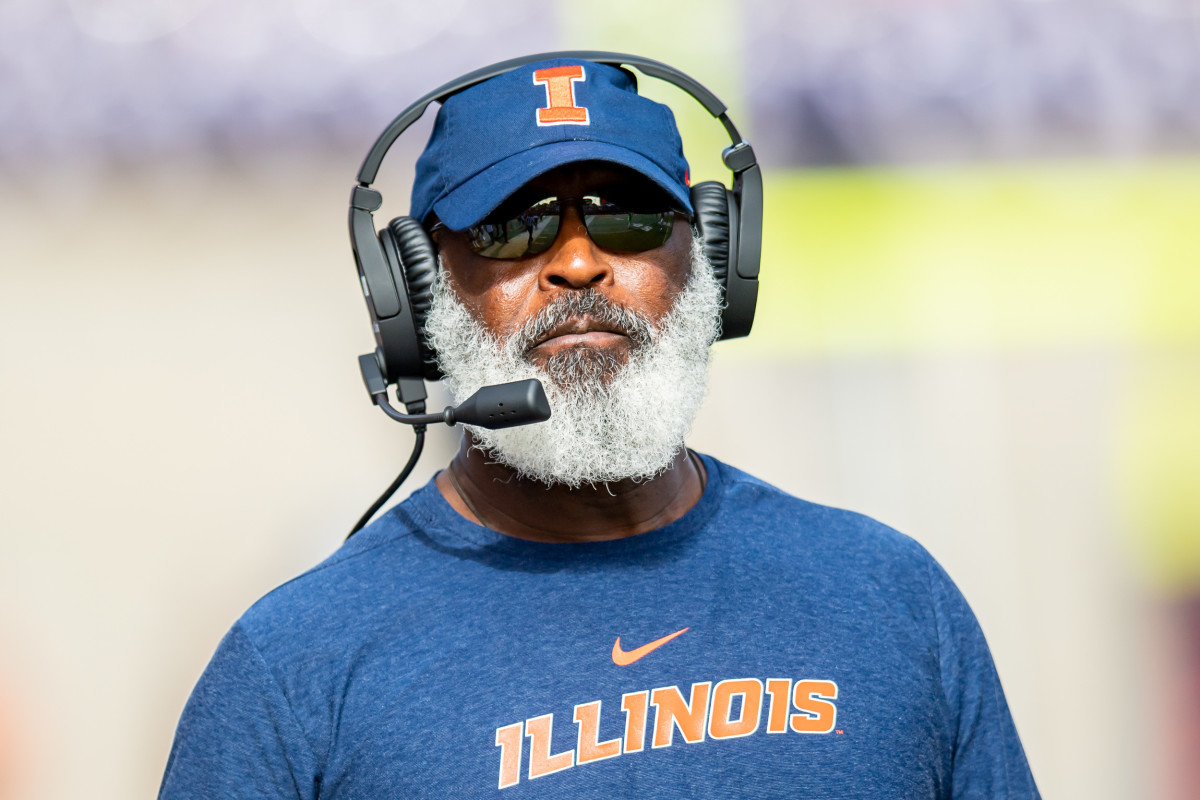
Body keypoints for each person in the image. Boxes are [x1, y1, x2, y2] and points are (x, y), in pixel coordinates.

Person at [159, 56, 1041, 799]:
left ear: (713, 264)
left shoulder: (892, 598)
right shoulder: (293, 668)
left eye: (629, 215)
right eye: (513, 228)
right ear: (416, 294)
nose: (578, 263)